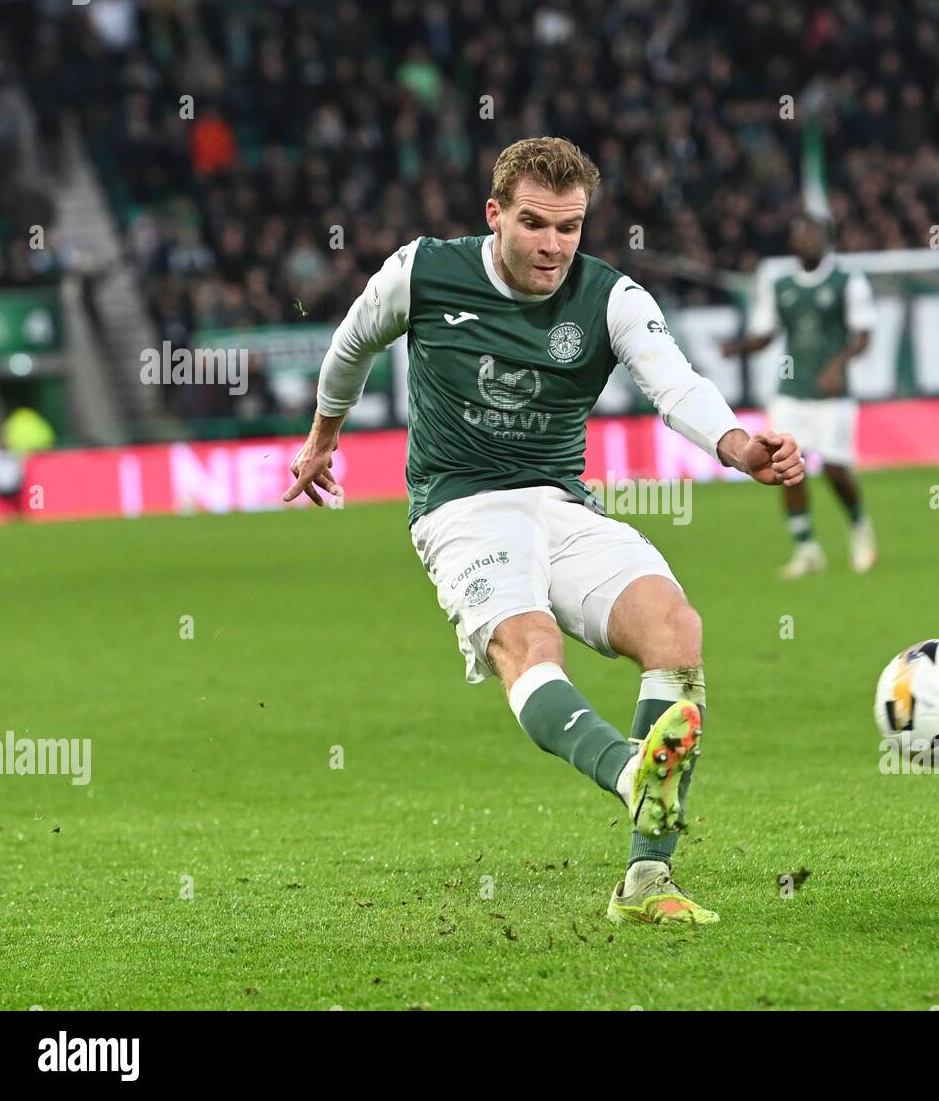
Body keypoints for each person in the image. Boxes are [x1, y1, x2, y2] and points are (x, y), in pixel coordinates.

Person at [283, 137, 804, 926]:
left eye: (570, 227)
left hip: (561, 503)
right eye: (534, 224)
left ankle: (645, 881)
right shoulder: (425, 271)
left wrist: (739, 446)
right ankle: (630, 774)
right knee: (531, 646)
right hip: (460, 505)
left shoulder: (612, 298)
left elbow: (676, 385)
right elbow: (352, 341)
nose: (554, 245)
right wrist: (325, 434)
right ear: (495, 216)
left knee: (675, 628)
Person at [722, 215, 877, 577]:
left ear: (826, 240)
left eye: (813, 234)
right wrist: (739, 347)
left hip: (832, 395)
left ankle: (859, 527)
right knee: (789, 469)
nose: (806, 241)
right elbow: (765, 335)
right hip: (791, 393)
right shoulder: (780, 286)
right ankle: (807, 548)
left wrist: (838, 366)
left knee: (836, 469)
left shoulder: (847, 282)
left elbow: (864, 334)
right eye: (800, 234)